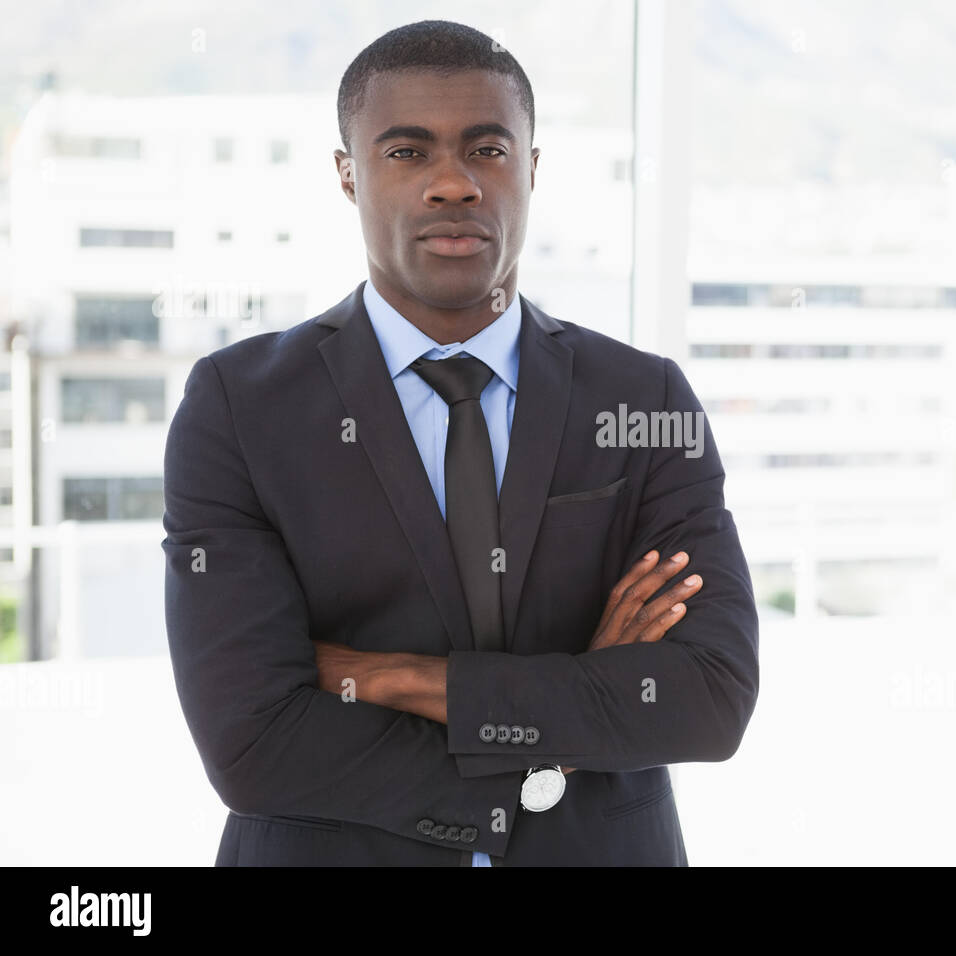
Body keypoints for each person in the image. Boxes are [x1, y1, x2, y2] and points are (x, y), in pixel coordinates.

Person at [161, 19, 759, 866]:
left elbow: (707, 697)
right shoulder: (239, 405)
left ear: (531, 168)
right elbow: (252, 738)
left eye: (487, 149)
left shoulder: (643, 397)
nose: (453, 184)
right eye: (407, 153)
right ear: (347, 174)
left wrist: (392, 678)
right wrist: (568, 716)